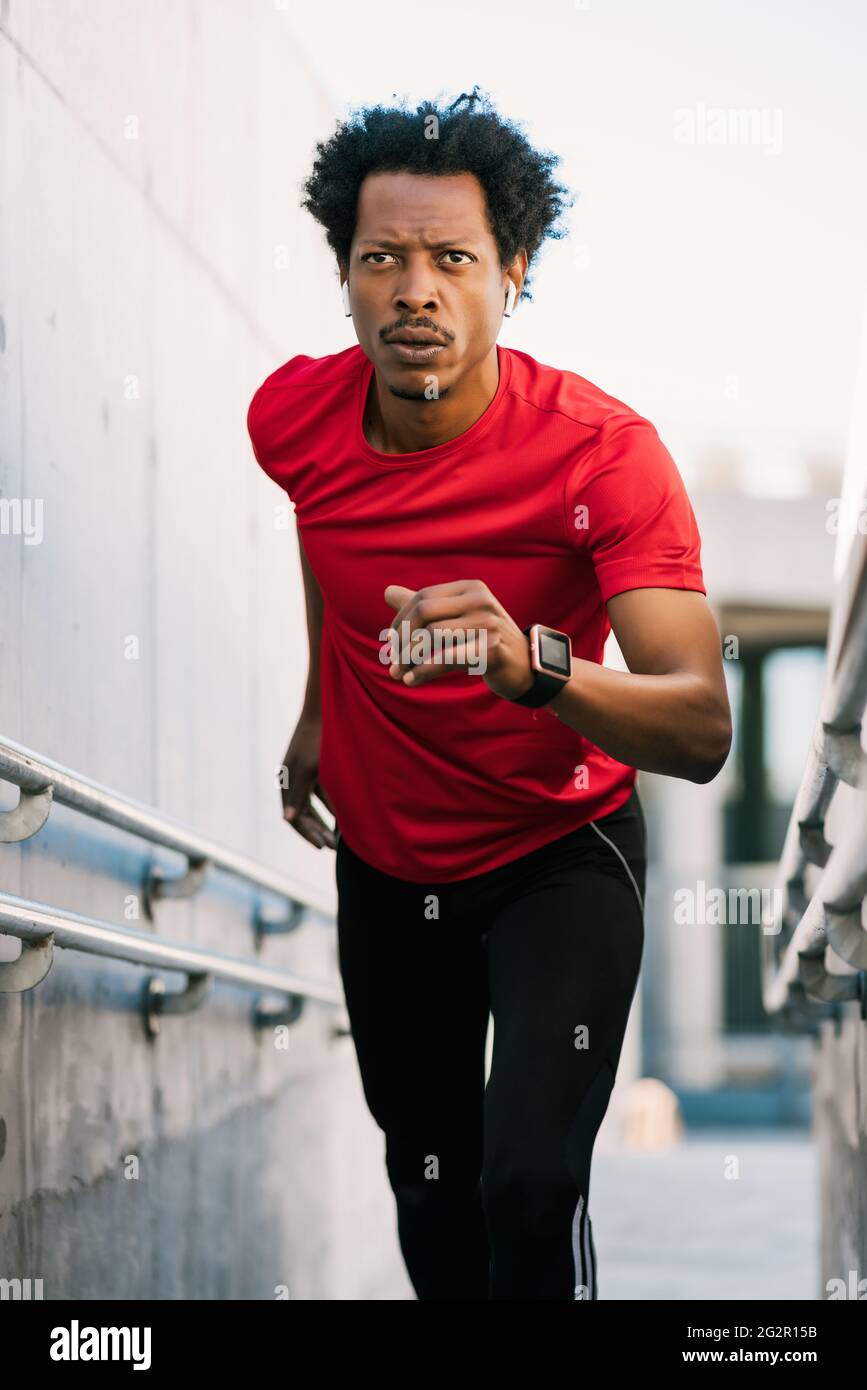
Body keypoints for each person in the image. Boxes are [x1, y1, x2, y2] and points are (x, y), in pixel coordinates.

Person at [247, 89, 732, 1300]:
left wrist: (536, 664)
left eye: (453, 259)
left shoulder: (601, 455)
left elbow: (703, 725)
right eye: (383, 259)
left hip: (558, 852)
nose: (416, 289)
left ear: (513, 272)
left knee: (525, 1187)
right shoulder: (293, 416)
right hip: (388, 860)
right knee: (429, 1184)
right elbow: (327, 536)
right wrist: (321, 706)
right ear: (346, 276)